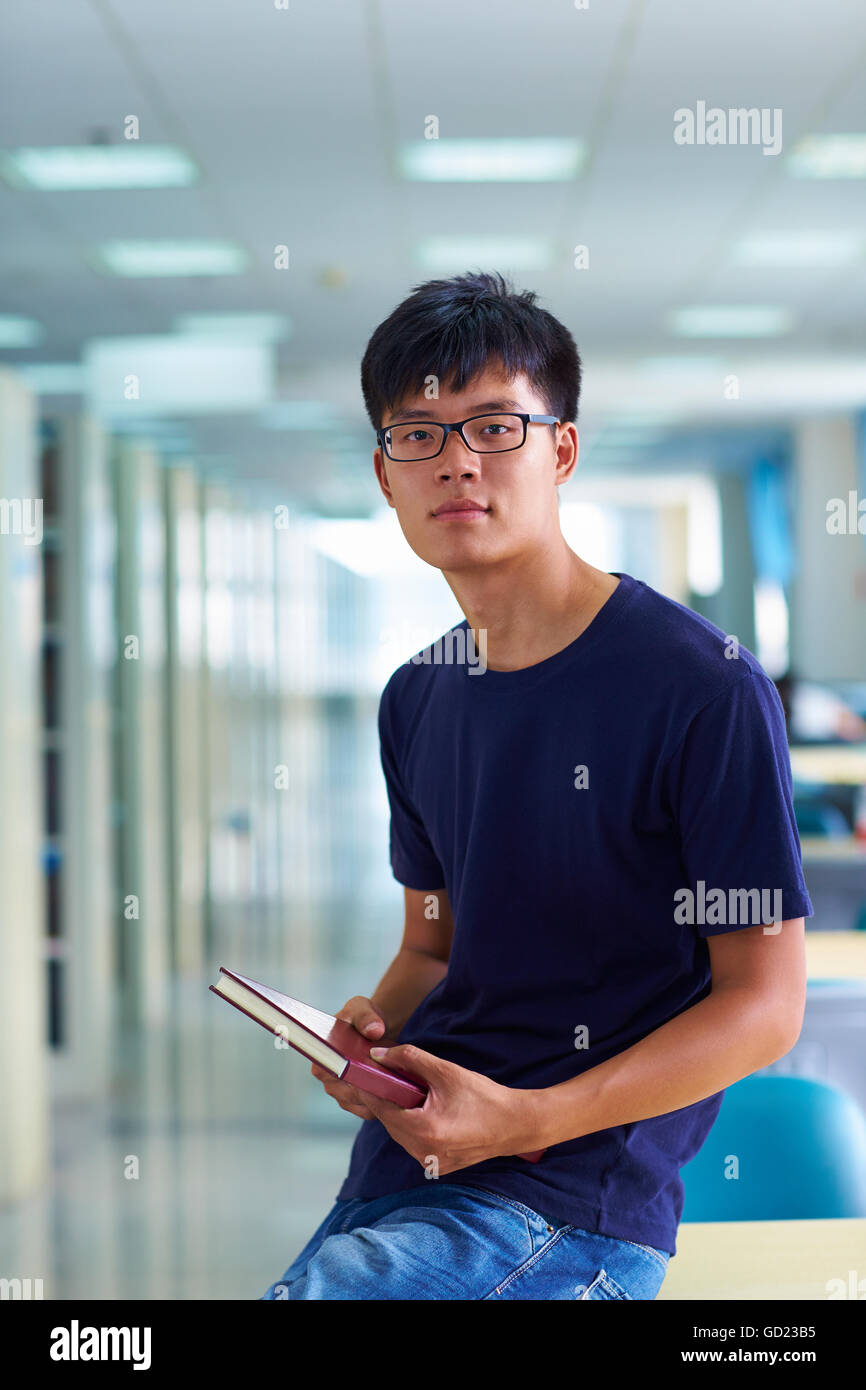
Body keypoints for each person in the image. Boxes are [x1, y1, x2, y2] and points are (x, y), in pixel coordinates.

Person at [261, 271, 812, 1301]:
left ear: (560, 447)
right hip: (402, 1175)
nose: (456, 460)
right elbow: (432, 943)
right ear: (384, 476)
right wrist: (370, 1032)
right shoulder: (417, 697)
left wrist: (529, 1118)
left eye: (494, 426)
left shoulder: (700, 683)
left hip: (572, 1201)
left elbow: (765, 1004)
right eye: (416, 433)